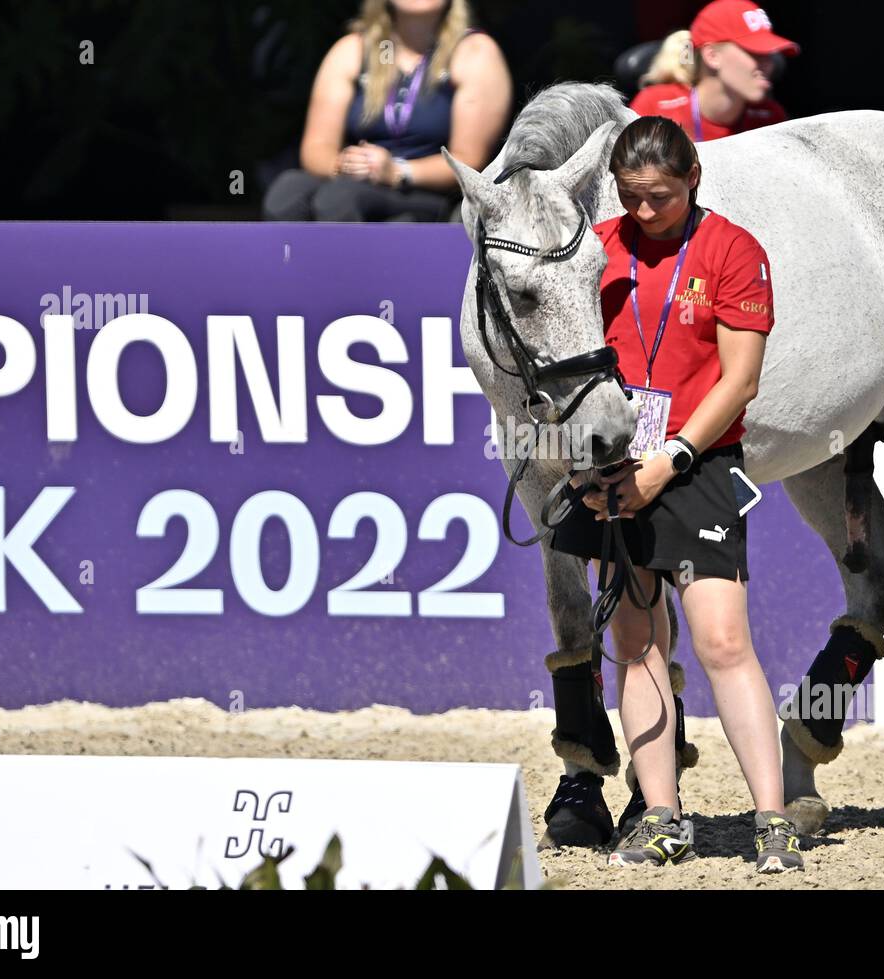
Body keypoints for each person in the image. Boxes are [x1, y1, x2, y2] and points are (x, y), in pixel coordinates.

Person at [550, 116, 803, 872]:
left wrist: (674, 456)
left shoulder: (731, 249)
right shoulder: (598, 247)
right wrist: (581, 465)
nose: (644, 211)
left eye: (659, 195)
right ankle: (662, 816)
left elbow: (741, 379)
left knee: (724, 640)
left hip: (696, 466)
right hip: (616, 470)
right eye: (631, 196)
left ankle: (773, 819)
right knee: (634, 643)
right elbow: (565, 366)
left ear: (693, 178)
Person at [263, 0, 510, 222]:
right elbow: (317, 146)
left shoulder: (474, 51)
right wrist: (348, 165)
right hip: (357, 180)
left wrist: (396, 171)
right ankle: (289, 271)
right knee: (286, 194)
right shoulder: (353, 49)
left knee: (338, 200)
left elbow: (468, 160)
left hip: (426, 189)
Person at [629, 1, 798, 142]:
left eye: (769, 54)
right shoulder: (654, 107)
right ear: (712, 56)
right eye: (754, 52)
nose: (769, 64)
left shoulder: (771, 118)